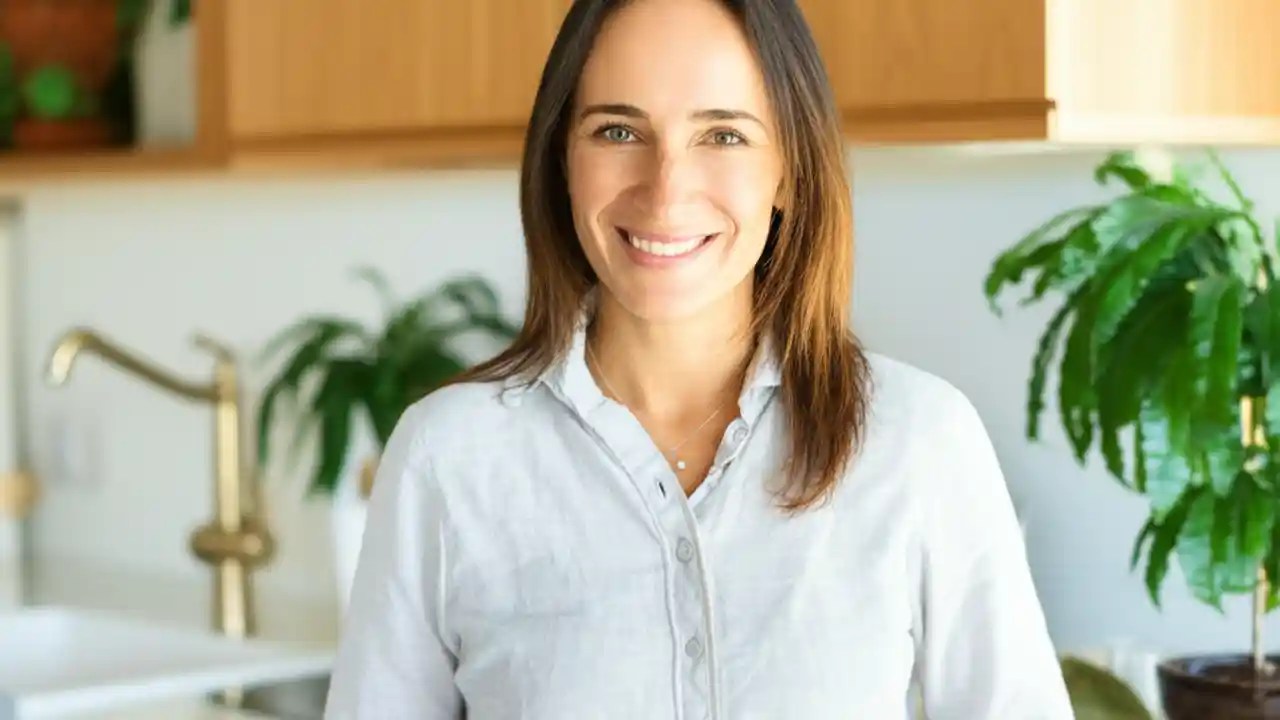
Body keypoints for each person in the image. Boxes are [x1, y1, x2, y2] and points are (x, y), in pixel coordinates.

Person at [323, 0, 1074, 717]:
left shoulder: (920, 442)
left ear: (788, 168)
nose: (666, 189)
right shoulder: (447, 459)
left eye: (722, 135)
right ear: (562, 160)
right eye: (618, 132)